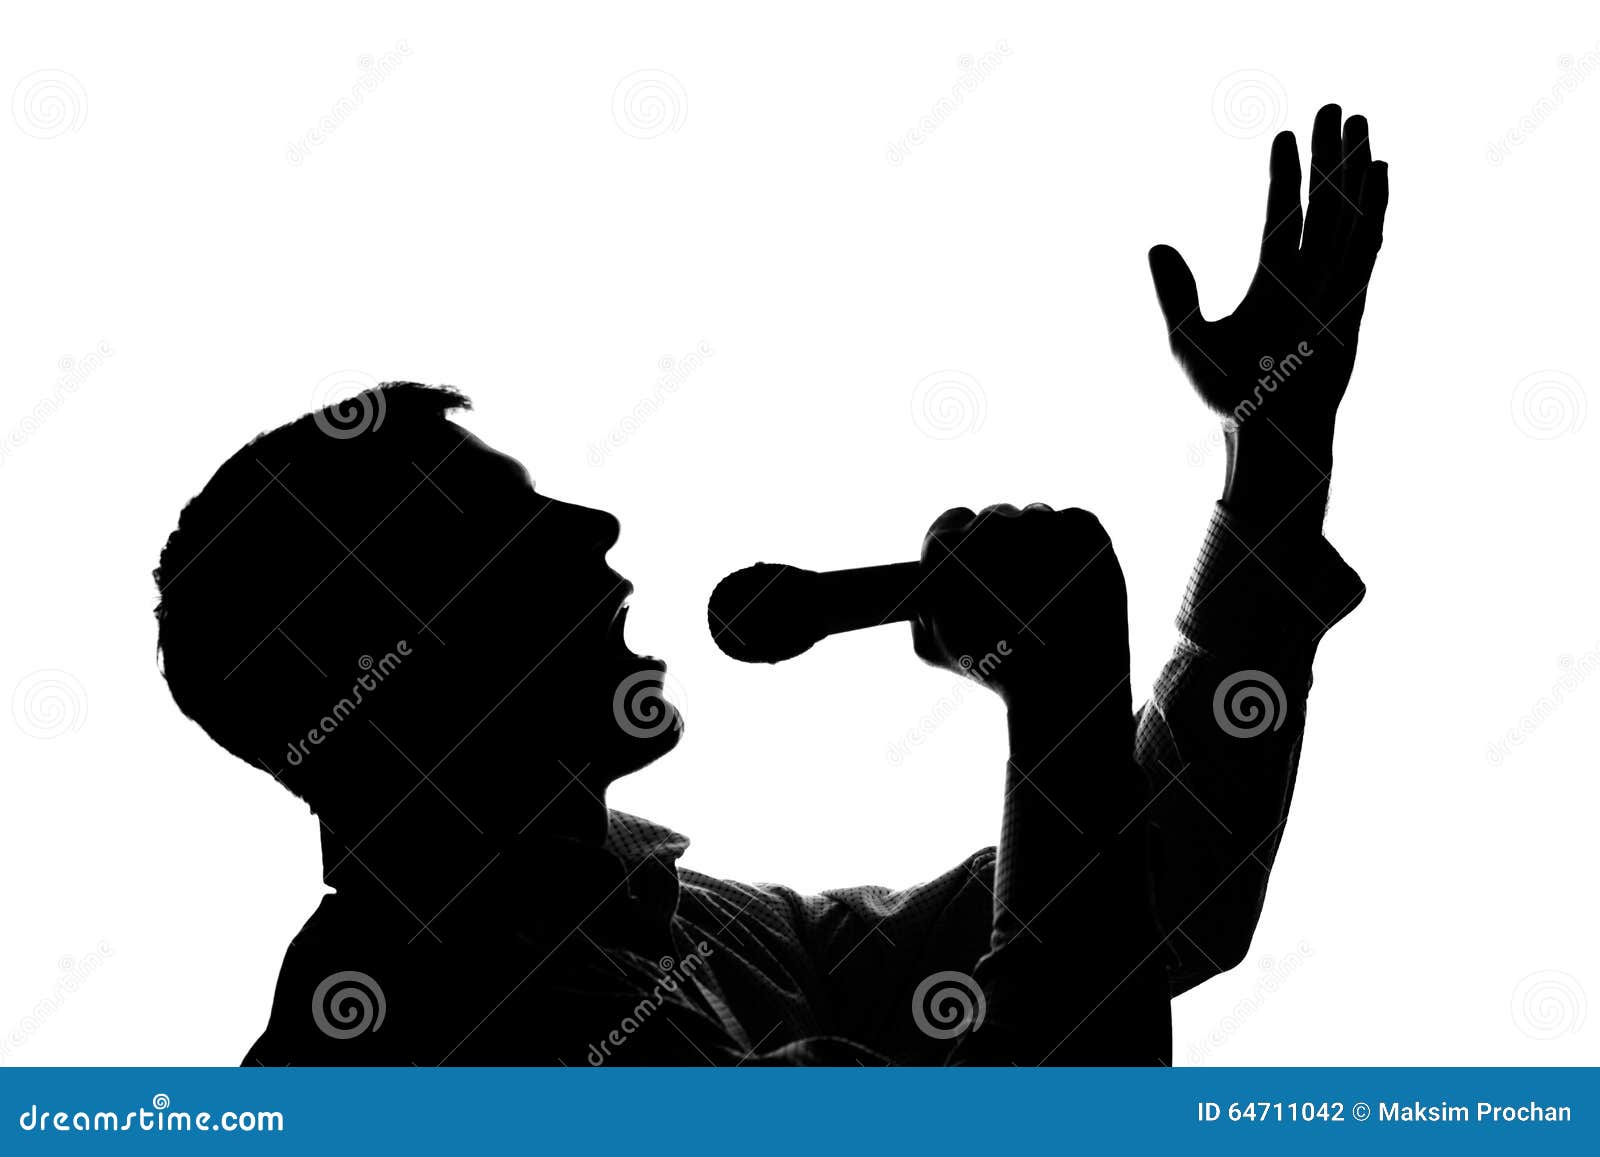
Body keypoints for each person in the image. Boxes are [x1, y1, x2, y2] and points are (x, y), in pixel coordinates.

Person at [152, 102, 1386, 1065]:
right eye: (491, 528)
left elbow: (1155, 894)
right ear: (380, 670)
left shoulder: (692, 932)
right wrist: (1058, 705)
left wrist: (1274, 464)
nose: (589, 524)